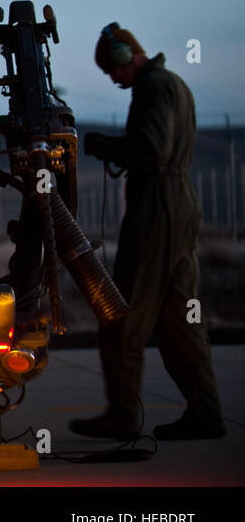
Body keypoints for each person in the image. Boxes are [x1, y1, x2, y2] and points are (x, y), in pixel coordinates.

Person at [70, 23, 226, 440]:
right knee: (179, 318)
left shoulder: (153, 88)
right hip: (181, 203)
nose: (114, 79)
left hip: (156, 206)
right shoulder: (175, 84)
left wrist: (107, 146)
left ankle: (122, 414)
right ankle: (205, 412)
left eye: (113, 70)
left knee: (122, 310)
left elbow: (151, 149)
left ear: (126, 56)